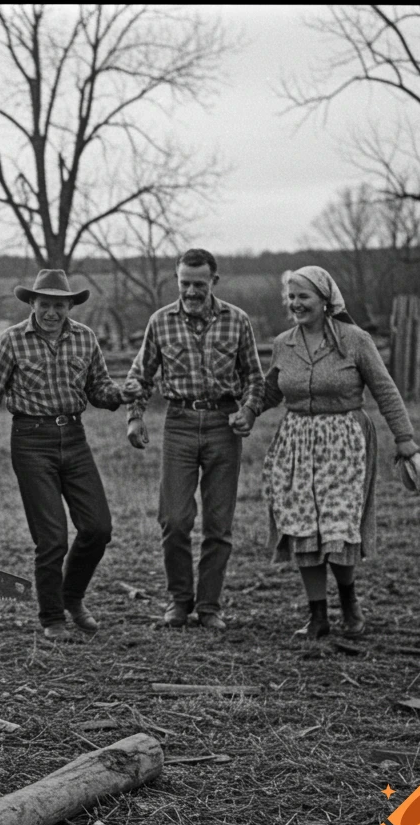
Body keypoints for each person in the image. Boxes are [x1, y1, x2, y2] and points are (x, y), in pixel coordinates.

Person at [253, 266, 420, 639]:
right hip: (297, 443)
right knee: (302, 527)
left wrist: (405, 438)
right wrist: (247, 412)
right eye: (292, 296)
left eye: (304, 296)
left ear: (325, 300)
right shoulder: (284, 343)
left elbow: (385, 389)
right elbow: (272, 390)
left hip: (345, 441)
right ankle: (318, 615)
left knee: (338, 529)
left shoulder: (354, 340)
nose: (296, 303)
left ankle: (349, 603)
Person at [0, 269, 123, 642]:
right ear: (32, 303)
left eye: (59, 305)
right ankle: (52, 616)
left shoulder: (85, 339)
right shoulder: (12, 340)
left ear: (69, 306)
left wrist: (120, 394)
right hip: (31, 440)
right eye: (45, 304)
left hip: (75, 437)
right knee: (52, 538)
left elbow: (99, 387)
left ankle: (72, 596)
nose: (52, 312)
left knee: (98, 528)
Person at [120, 248, 265, 631]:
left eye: (199, 284)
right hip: (180, 422)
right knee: (175, 519)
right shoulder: (160, 322)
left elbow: (254, 377)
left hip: (223, 423)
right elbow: (140, 377)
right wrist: (135, 418)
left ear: (214, 281)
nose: (191, 291)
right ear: (177, 280)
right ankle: (179, 602)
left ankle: (210, 606)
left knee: (219, 524)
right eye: (185, 283)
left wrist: (248, 410)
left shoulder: (238, 321)